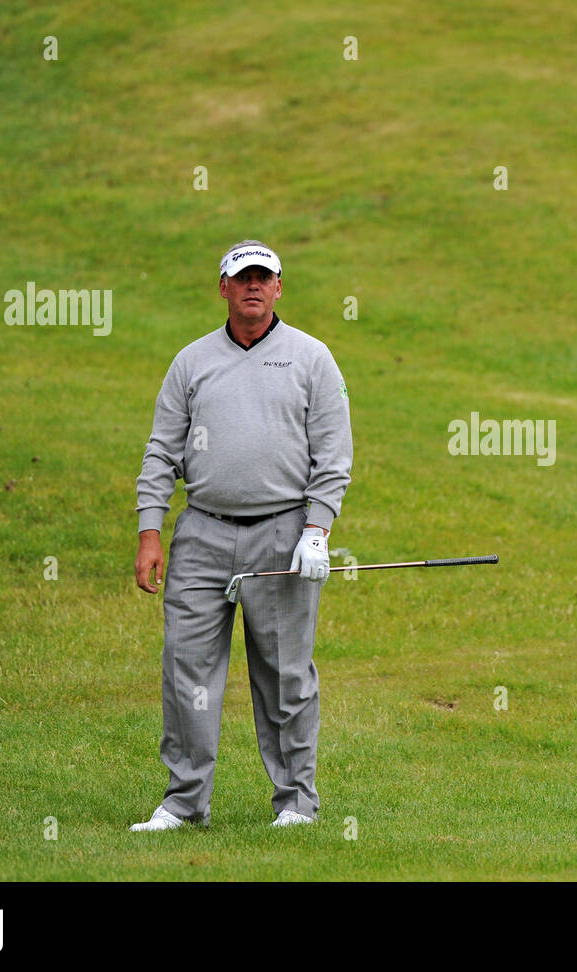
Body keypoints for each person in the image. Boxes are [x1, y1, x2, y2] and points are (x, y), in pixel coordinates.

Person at [129, 240, 352, 831]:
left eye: (264, 277)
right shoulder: (192, 362)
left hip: (283, 533)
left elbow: (333, 458)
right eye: (242, 278)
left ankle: (297, 803)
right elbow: (160, 454)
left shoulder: (311, 358)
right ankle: (183, 803)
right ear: (223, 288)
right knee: (187, 670)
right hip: (202, 533)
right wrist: (150, 531)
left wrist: (316, 531)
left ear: (279, 287)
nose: (253, 286)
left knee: (285, 675)